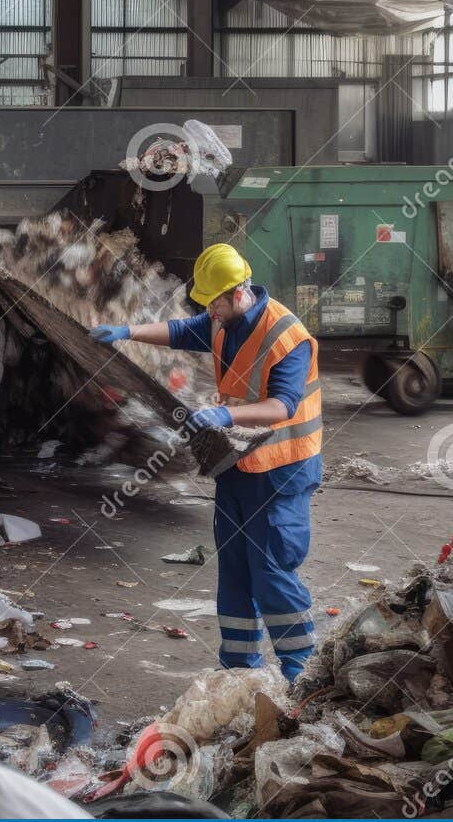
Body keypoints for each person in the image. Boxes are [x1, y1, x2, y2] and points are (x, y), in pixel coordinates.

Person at [89, 244, 322, 680]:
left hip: (281, 470)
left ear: (238, 293)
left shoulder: (285, 336)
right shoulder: (222, 320)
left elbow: (283, 406)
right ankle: (237, 670)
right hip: (237, 463)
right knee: (234, 568)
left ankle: (302, 671)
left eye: (214, 301)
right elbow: (181, 330)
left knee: (270, 569)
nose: (209, 311)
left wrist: (225, 414)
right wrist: (126, 332)